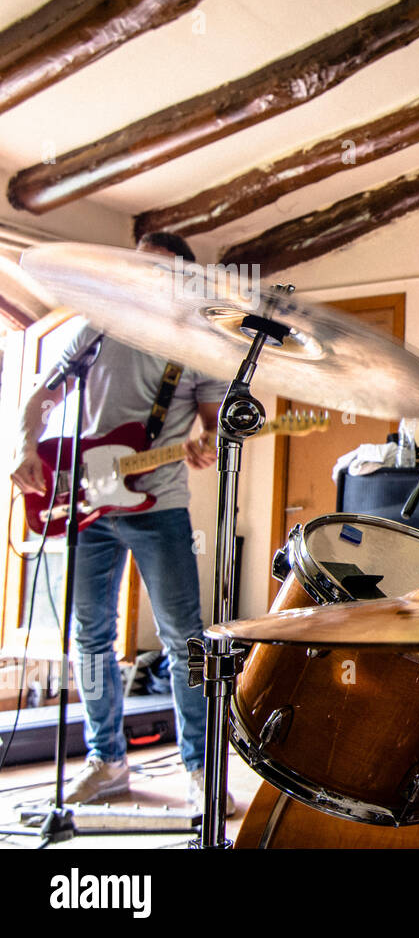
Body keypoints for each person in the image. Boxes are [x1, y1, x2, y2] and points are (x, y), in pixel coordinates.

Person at [10, 233, 233, 814]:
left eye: (159, 269)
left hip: (158, 505)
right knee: (88, 639)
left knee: (184, 638)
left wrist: (206, 443)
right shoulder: (97, 324)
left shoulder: (194, 343)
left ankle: (199, 767)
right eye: (140, 265)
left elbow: (211, 424)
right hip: (83, 504)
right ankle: (105, 760)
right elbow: (42, 392)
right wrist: (24, 446)